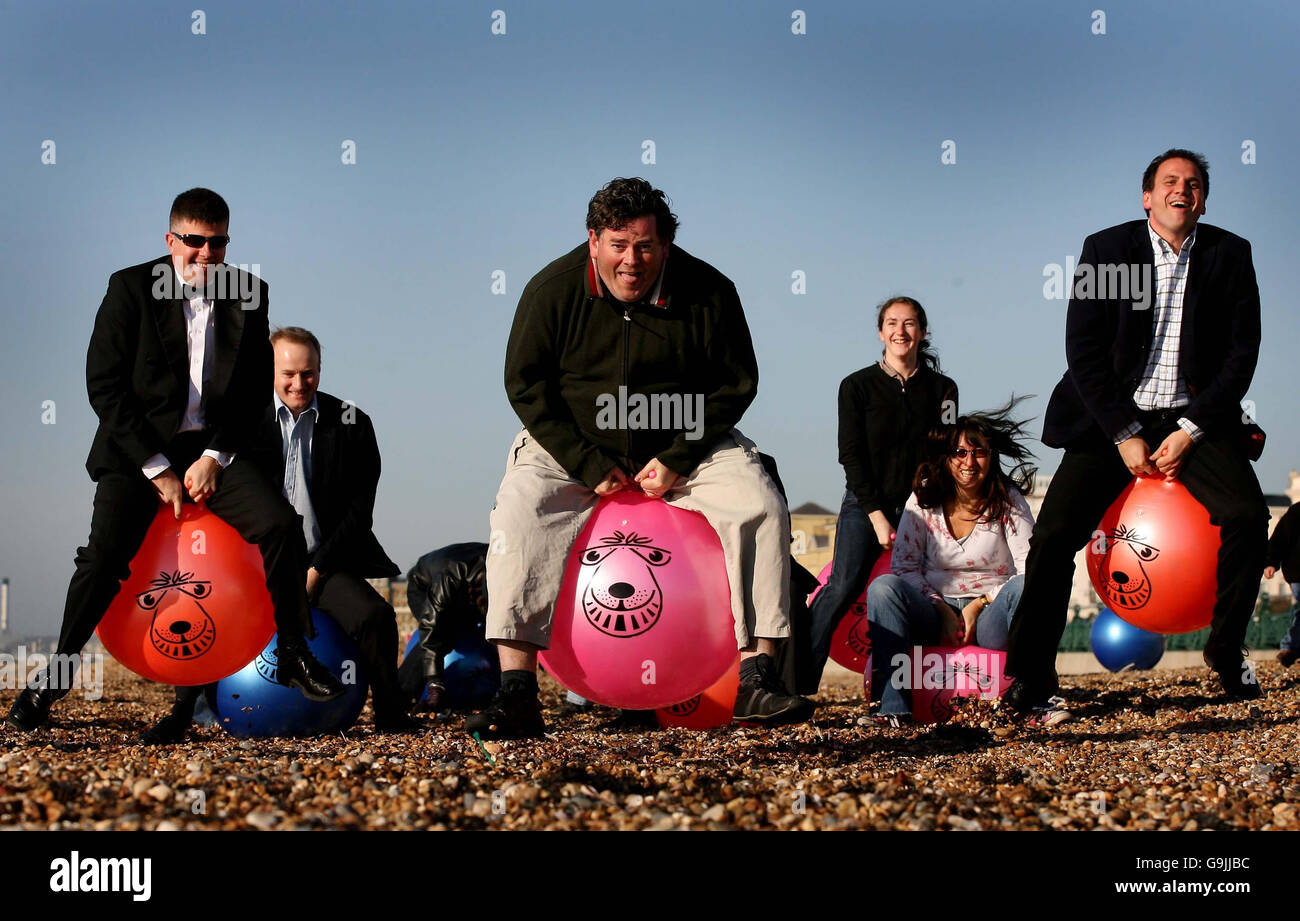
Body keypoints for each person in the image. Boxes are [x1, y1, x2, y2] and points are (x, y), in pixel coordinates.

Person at [467, 177, 814, 740]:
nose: (633, 260)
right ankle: (517, 693)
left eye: (647, 246)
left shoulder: (711, 291)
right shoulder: (549, 291)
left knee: (761, 504)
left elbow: (737, 384)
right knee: (519, 511)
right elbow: (525, 387)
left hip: (688, 444)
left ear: (667, 245)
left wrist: (679, 455)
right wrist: (584, 460)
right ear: (593, 241)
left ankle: (756, 675)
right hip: (571, 445)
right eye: (619, 244)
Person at [6, 190, 341, 733]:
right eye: (195, 242)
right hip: (136, 450)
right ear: (171, 240)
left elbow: (255, 392)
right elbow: (104, 385)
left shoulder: (249, 295)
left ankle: (293, 652)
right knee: (102, 558)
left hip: (216, 449)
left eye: (219, 243)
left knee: (283, 525)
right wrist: (157, 468)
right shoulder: (129, 288)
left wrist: (214, 456)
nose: (207, 255)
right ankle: (56, 676)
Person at [1004, 149, 1269, 714]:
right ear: (1147, 196)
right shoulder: (1107, 250)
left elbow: (1241, 356)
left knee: (1248, 515)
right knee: (1051, 542)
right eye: (1170, 181)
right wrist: (1124, 432)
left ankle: (1225, 649)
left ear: (1203, 199)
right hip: (1109, 418)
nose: (1183, 190)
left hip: (1191, 417)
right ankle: (1031, 679)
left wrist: (1192, 430)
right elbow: (1084, 352)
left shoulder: (1230, 254)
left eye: (1194, 184)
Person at [142, 327, 417, 741]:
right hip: (248, 564)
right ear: (269, 372)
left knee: (375, 616)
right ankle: (181, 714)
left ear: (320, 371)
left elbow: (358, 516)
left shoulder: (353, 425)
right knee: (208, 613)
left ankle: (391, 713)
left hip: (321, 562)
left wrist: (316, 572)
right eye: (288, 373)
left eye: (308, 373)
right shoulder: (236, 425)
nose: (298, 383)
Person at [801, 296, 958, 695]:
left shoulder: (944, 389)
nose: (900, 331)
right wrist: (875, 514)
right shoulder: (855, 386)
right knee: (843, 585)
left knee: (934, 589)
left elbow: (947, 452)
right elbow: (850, 455)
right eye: (892, 323)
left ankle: (936, 687)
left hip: (923, 508)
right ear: (880, 332)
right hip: (864, 504)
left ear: (922, 332)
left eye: (909, 324)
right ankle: (796, 683)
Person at [865, 404, 1039, 725]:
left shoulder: (1007, 498)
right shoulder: (923, 500)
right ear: (946, 457)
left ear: (992, 457)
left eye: (979, 452)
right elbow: (904, 567)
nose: (969, 462)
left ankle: (1037, 700)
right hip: (932, 612)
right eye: (959, 452)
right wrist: (941, 608)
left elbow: (1030, 564)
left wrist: (981, 603)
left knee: (1030, 585)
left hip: (989, 614)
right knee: (883, 587)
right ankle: (892, 709)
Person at [398, 542, 490, 710]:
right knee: (445, 632)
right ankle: (400, 695)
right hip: (423, 585)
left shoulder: (508, 567)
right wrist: (435, 686)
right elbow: (431, 630)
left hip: (468, 584)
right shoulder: (451, 577)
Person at [1264, 502, 1300, 666]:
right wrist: (1271, 562)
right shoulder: (1297, 511)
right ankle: (1290, 647)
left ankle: (1291, 648)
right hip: (1298, 572)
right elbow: (1279, 538)